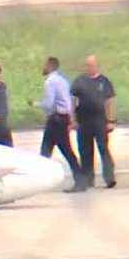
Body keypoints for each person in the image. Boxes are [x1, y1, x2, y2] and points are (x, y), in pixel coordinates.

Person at [33, 56, 85, 192]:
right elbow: (67, 102)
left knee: (53, 150)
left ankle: (38, 181)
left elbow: (49, 104)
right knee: (52, 150)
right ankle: (79, 179)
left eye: (45, 65)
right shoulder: (63, 81)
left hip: (55, 120)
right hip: (62, 118)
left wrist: (35, 104)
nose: (43, 67)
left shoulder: (50, 82)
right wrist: (70, 118)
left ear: (50, 66)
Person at [70, 54, 117, 189]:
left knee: (103, 149)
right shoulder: (79, 81)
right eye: (87, 65)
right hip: (84, 122)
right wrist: (73, 119)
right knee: (85, 151)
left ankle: (109, 178)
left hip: (100, 121)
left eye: (91, 65)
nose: (88, 68)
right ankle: (88, 178)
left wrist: (110, 120)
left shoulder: (104, 81)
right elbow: (73, 101)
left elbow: (109, 102)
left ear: (97, 66)